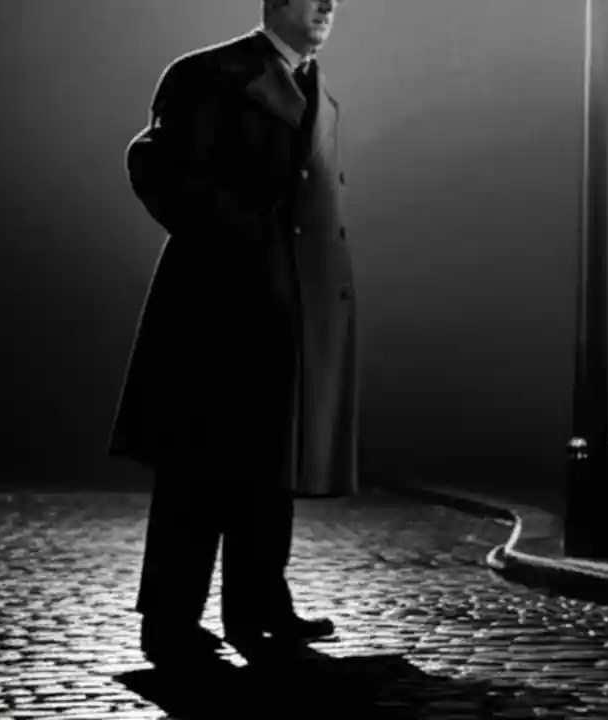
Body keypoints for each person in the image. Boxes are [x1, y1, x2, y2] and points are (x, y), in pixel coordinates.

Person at [108, 0, 359, 666]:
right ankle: (168, 622)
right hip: (214, 302)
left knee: (270, 461)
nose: (328, 6)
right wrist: (236, 236)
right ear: (277, 1)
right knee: (198, 463)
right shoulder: (210, 73)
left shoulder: (315, 85)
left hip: (289, 300)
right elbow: (153, 163)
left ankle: (259, 608)